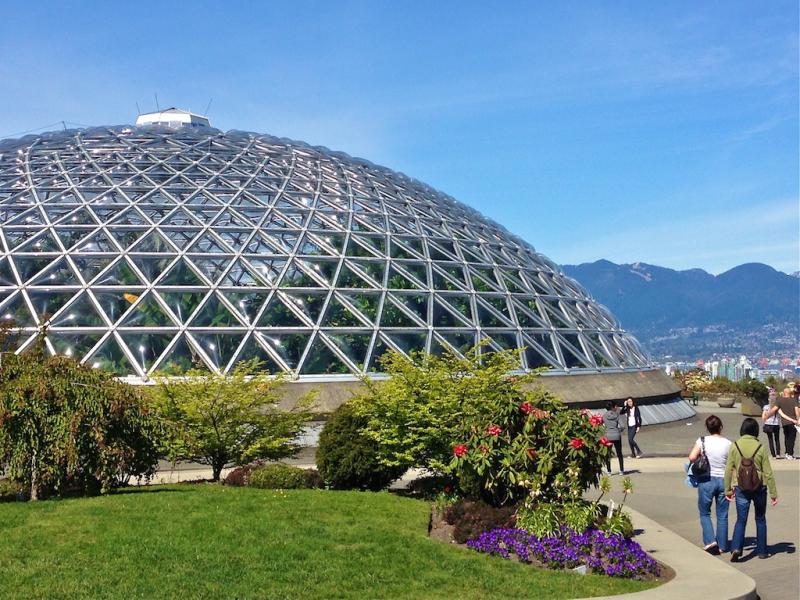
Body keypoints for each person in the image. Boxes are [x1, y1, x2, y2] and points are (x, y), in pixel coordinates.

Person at [724, 417, 778, 561]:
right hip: (759, 487)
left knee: (741, 519)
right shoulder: (760, 447)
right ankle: (762, 551)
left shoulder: (735, 445)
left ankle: (736, 547)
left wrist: (728, 490)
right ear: (756, 431)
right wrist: (773, 493)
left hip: (741, 487)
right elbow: (768, 472)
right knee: (760, 518)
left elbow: (728, 469)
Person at [688, 415, 732, 553]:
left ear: (707, 428)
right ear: (721, 427)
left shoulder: (702, 441)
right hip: (723, 480)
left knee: (705, 512)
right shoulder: (728, 443)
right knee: (722, 514)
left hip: (706, 479)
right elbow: (732, 464)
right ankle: (723, 545)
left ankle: (710, 541)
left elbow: (692, 457)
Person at [770, 385, 799, 460]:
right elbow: (797, 411)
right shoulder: (794, 400)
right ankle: (790, 454)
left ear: (784, 393)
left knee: (786, 438)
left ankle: (787, 452)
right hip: (793, 422)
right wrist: (798, 419)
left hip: (784, 422)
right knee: (792, 439)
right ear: (790, 393)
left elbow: (774, 409)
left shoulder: (780, 400)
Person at [602, 401, 624, 474]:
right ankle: (621, 470)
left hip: (607, 435)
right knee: (619, 453)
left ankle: (609, 471)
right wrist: (618, 430)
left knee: (607, 454)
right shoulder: (617, 415)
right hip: (616, 435)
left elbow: (600, 424)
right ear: (613, 407)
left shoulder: (604, 416)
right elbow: (623, 426)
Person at [761, 390, 781, 459]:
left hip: (768, 424)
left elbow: (763, 417)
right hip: (776, 424)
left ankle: (773, 455)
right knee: (777, 439)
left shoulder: (766, 407)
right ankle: (778, 454)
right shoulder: (778, 407)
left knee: (770, 440)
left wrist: (766, 418)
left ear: (769, 399)